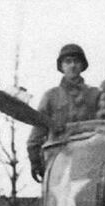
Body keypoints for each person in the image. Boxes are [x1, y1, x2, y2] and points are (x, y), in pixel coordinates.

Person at [26, 43, 100, 181]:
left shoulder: (94, 94)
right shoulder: (51, 96)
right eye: (68, 61)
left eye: (76, 61)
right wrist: (35, 160)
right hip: (59, 160)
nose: (72, 65)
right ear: (61, 66)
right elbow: (37, 131)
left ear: (82, 66)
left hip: (90, 160)